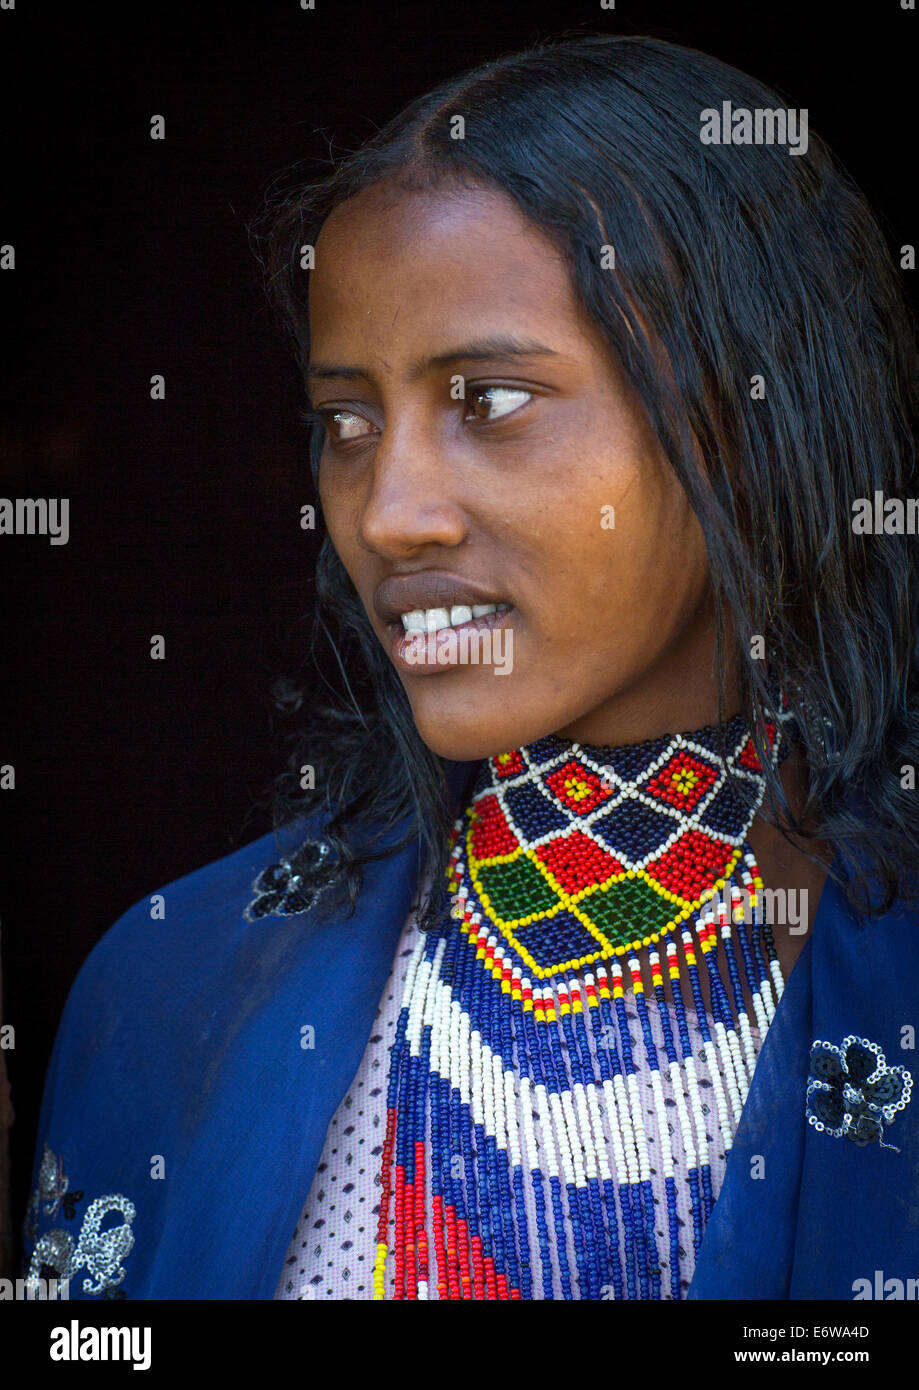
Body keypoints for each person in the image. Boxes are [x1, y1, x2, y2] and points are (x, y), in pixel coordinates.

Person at [20, 32, 919, 1301]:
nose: (389, 513)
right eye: (345, 422)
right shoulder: (169, 991)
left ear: (745, 417)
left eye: (487, 401)